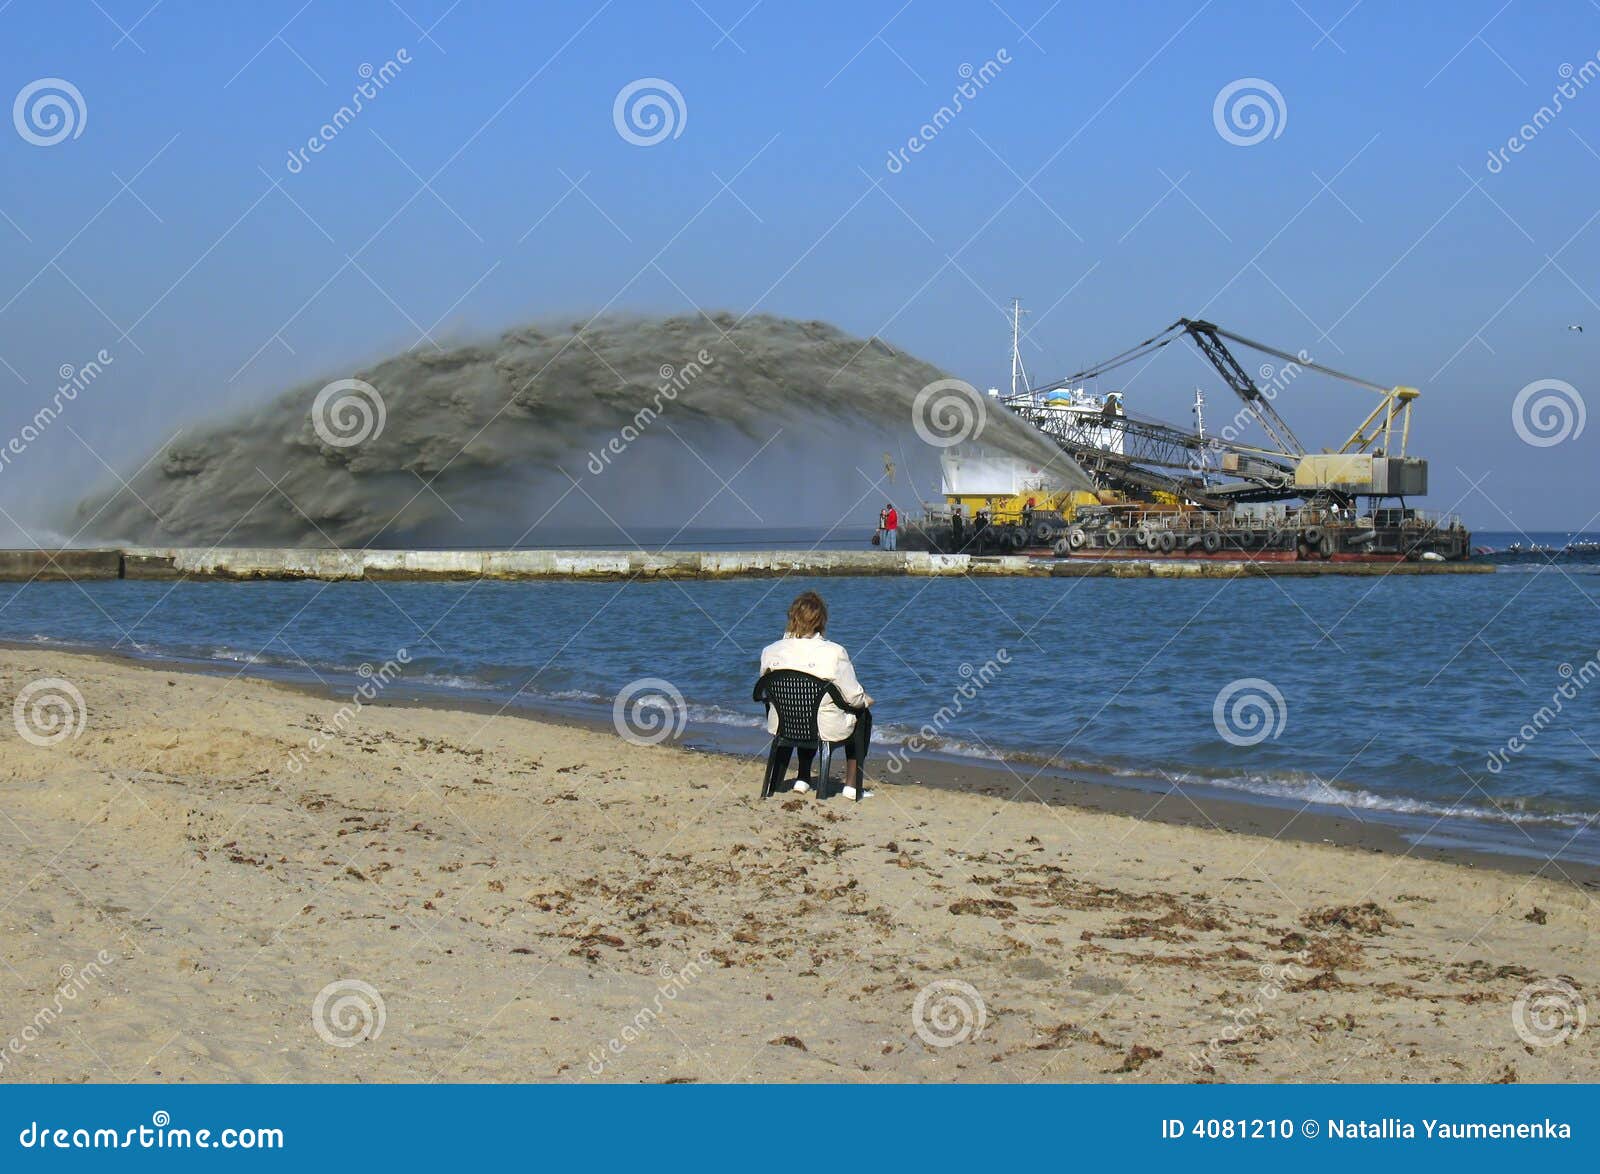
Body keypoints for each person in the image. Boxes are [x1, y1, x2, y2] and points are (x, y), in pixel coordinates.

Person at [759, 591, 875, 799]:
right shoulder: (835, 652)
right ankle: (851, 786)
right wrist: (865, 699)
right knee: (863, 714)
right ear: (821, 620)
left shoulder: (770, 650)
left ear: (792, 617)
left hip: (784, 723)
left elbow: (767, 687)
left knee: (804, 706)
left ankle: (803, 777)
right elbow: (853, 697)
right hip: (821, 727)